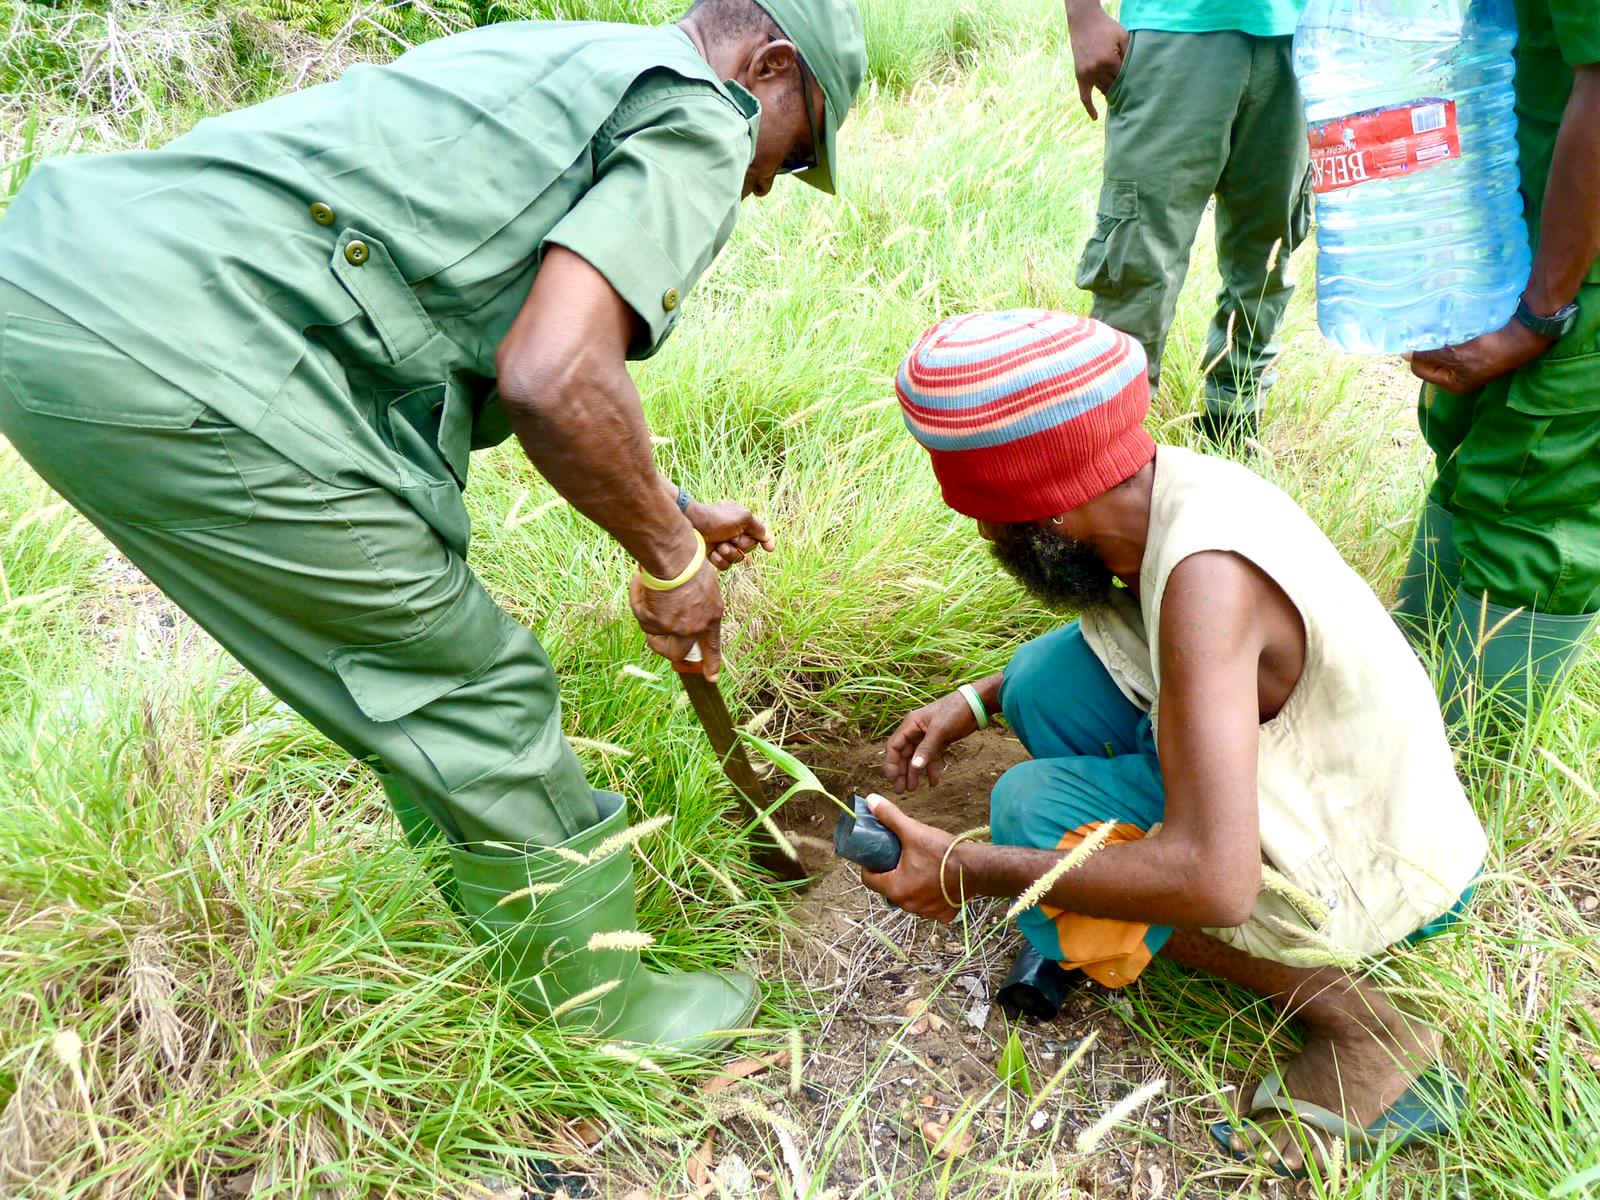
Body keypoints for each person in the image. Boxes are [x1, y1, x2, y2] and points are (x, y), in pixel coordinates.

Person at [0, 0, 864, 1049]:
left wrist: (667, 506)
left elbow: (469, 310)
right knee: (467, 683)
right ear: (767, 64)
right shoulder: (701, 111)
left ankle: (510, 944)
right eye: (797, 143)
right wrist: (672, 558)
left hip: (56, 286)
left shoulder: (562, 54)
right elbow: (551, 377)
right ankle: (601, 1014)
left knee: (393, 665)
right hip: (186, 341)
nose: (765, 181)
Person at [866, 310, 1486, 1175]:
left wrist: (967, 870)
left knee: (1032, 817)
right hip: (1335, 781)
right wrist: (977, 700)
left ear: (1044, 510)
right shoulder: (1156, 493)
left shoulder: (1207, 582)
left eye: (989, 519)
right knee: (1045, 677)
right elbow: (1132, 641)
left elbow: (1216, 880)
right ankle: (1112, 875)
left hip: (1381, 862)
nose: (984, 538)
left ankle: (1367, 1029)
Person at [1402, 2, 1600, 725]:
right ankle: (1407, 715)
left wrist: (1543, 310)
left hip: (1575, 272)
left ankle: (1469, 765)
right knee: (1472, 462)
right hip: (1508, 234)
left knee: (1535, 505)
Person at [1066, 0, 1312, 446]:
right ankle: (1109, 453)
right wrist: (1082, 14)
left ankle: (1233, 427)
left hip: (1300, 30)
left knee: (1271, 247)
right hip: (1174, 27)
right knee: (1137, 250)